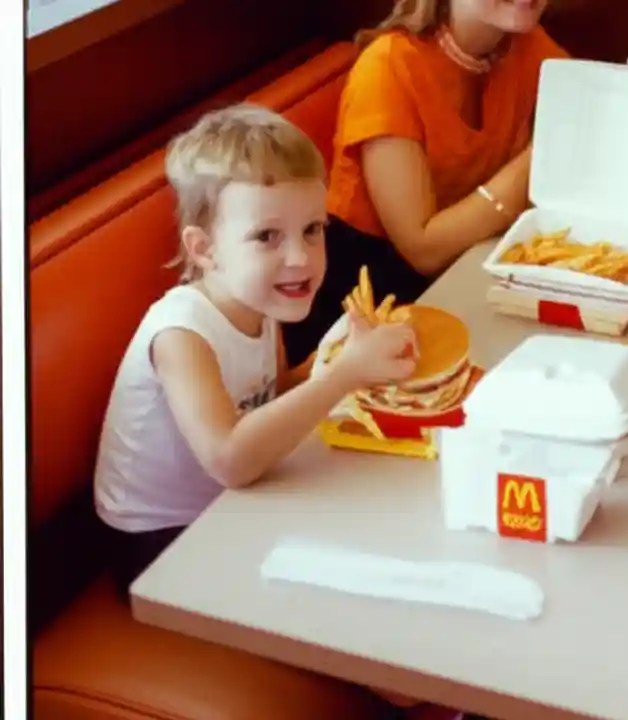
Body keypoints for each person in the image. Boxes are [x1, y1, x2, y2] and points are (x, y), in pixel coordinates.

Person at [93, 104, 420, 598]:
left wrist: (328, 359)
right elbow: (230, 458)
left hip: (232, 506)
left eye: (313, 230)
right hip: (160, 546)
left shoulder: (260, 300)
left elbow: (267, 395)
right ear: (204, 249)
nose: (300, 257)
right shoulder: (181, 334)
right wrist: (342, 376)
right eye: (267, 236)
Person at [282, 0, 570, 366]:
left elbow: (592, 110)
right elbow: (422, 251)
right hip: (359, 312)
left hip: (464, 280)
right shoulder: (388, 67)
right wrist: (538, 156)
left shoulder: (523, 45)